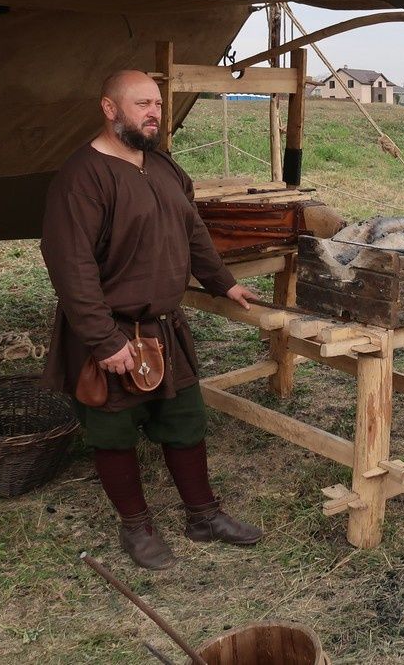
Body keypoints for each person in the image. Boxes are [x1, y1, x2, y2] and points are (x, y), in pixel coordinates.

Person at [40, 70, 262, 570]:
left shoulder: (162, 165)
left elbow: (193, 231)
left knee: (186, 422)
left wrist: (222, 280)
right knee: (113, 434)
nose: (154, 113)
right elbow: (70, 266)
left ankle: (203, 515)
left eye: (158, 104)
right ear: (109, 108)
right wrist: (103, 340)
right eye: (142, 103)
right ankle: (136, 528)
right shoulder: (82, 178)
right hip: (110, 334)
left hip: (164, 329)